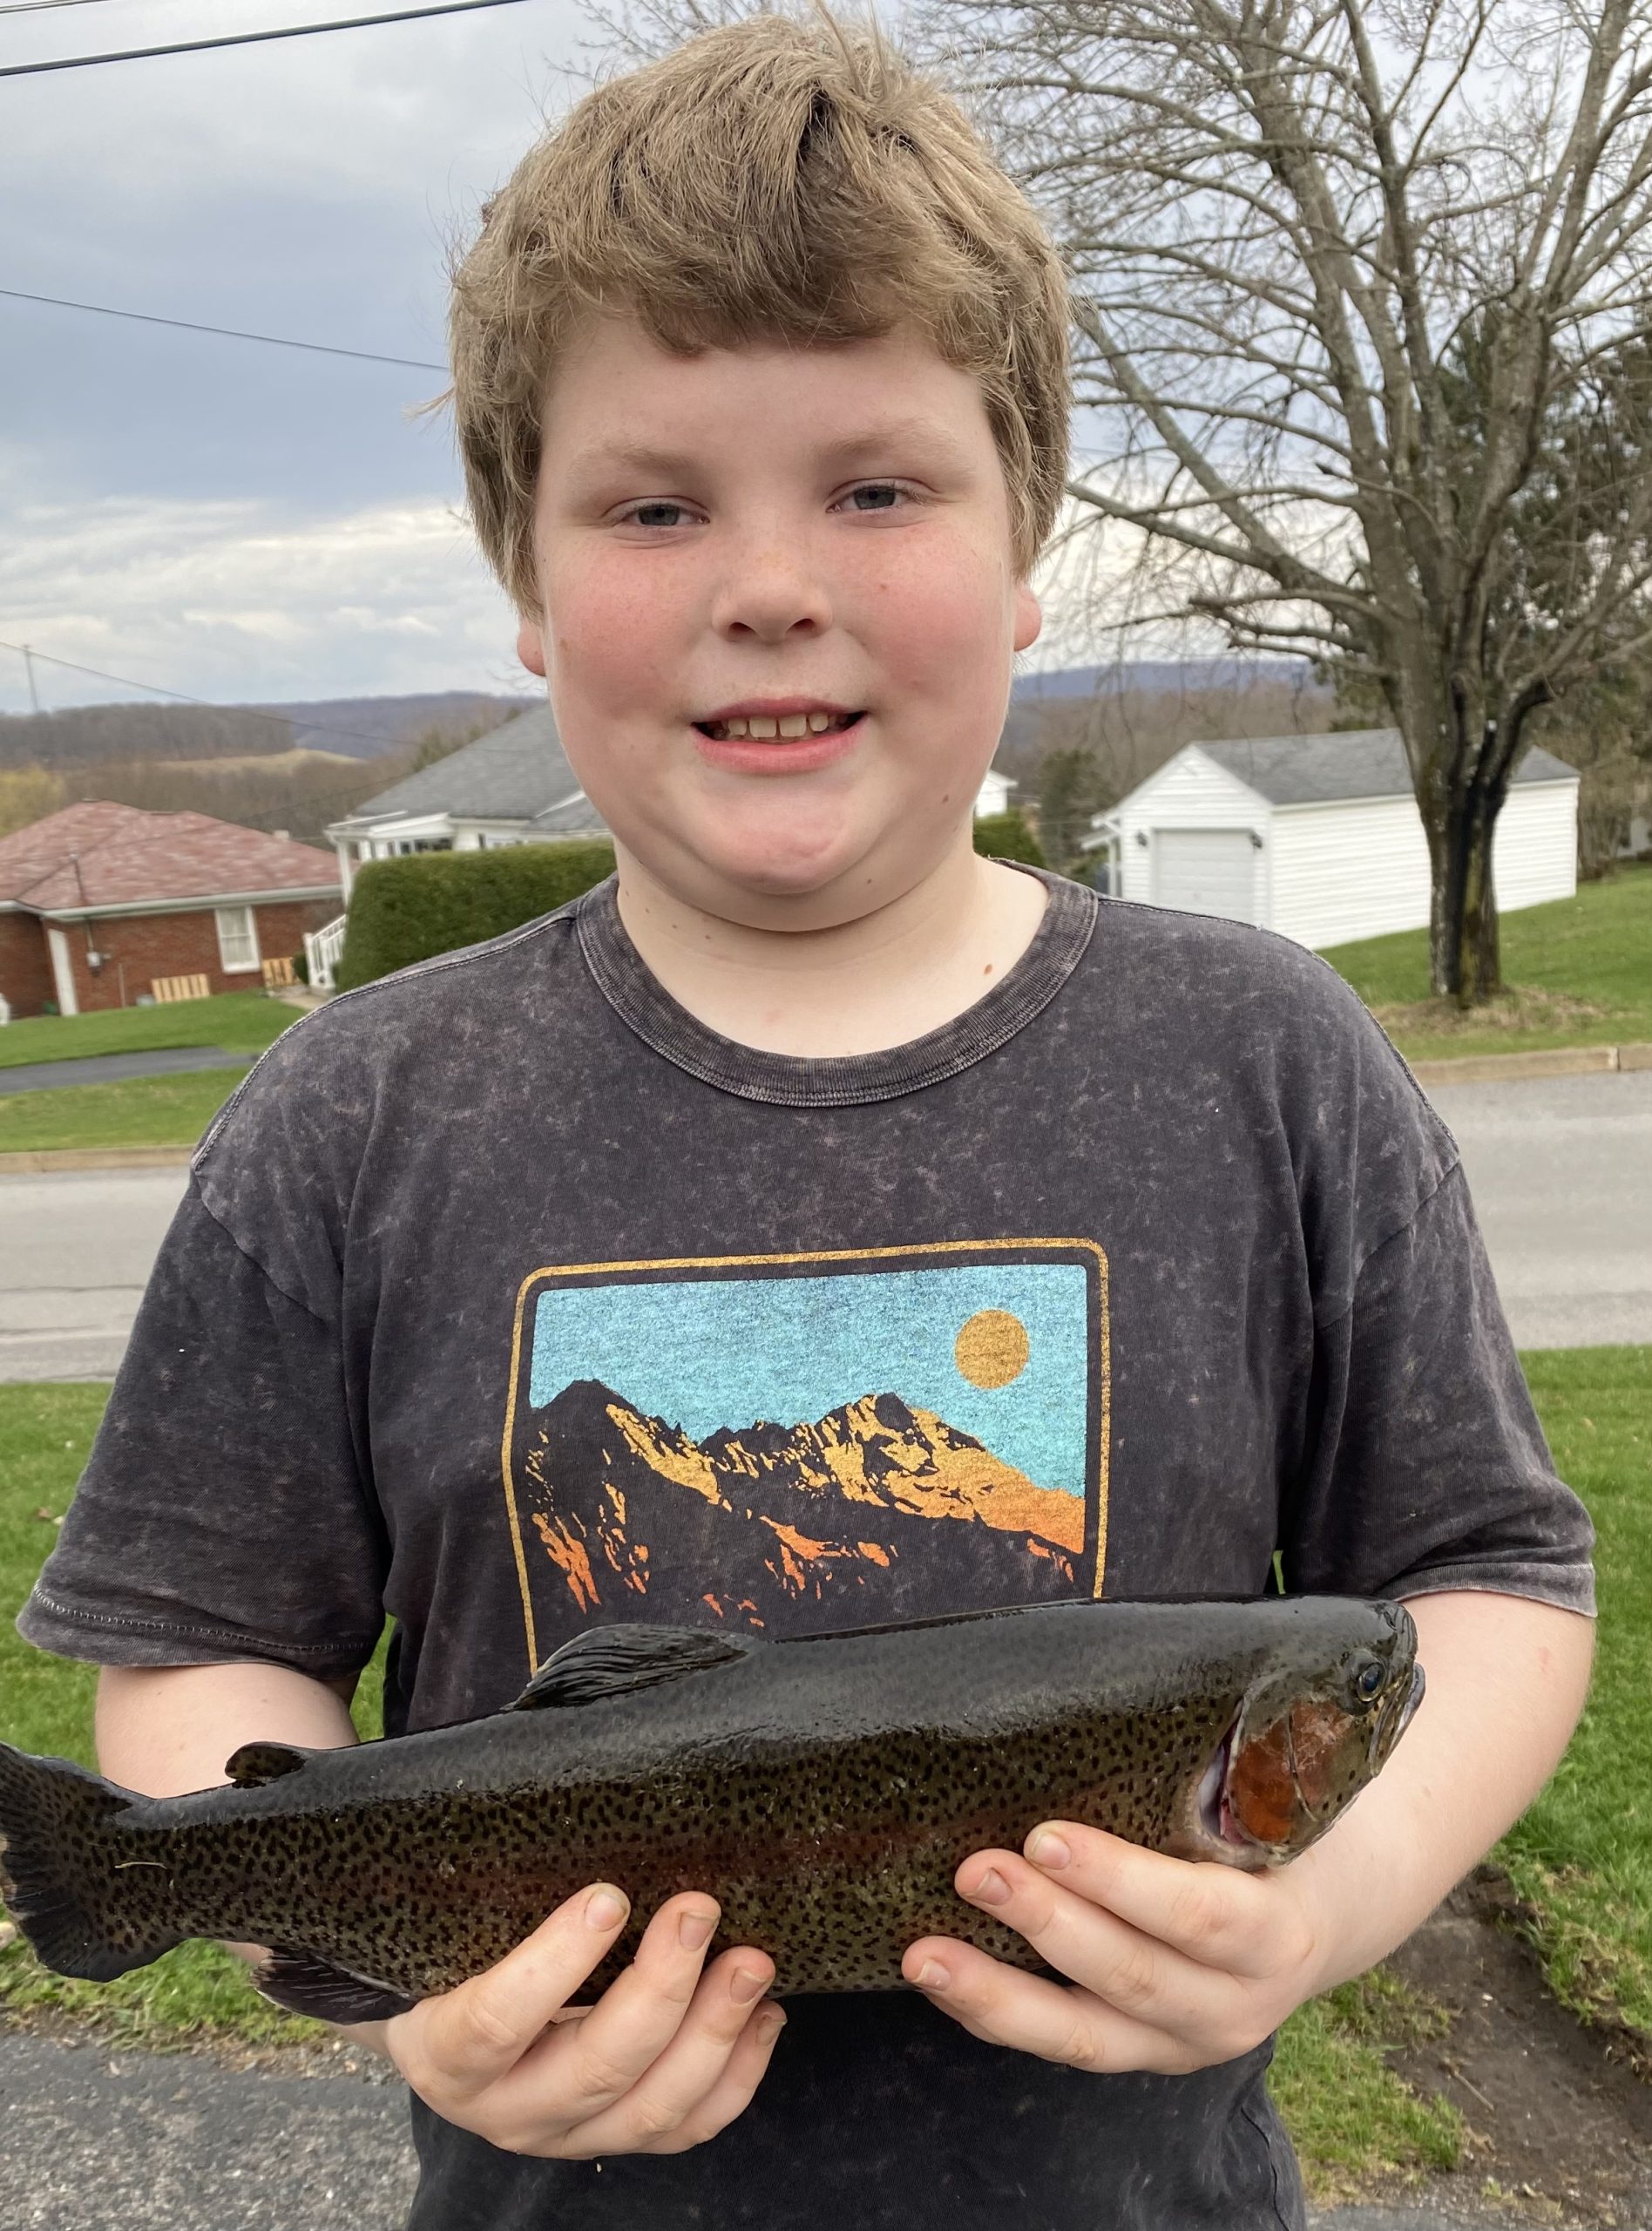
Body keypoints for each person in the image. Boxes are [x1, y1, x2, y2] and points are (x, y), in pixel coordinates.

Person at [19, 11, 1594, 2228]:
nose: (773, 579)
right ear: (527, 574)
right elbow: (205, 1640)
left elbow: (1490, 1575)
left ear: (1027, 545)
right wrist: (405, 1985)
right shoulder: (356, 1110)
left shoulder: (1269, 1061)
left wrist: (1331, 1910)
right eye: (657, 503)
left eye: (876, 486)